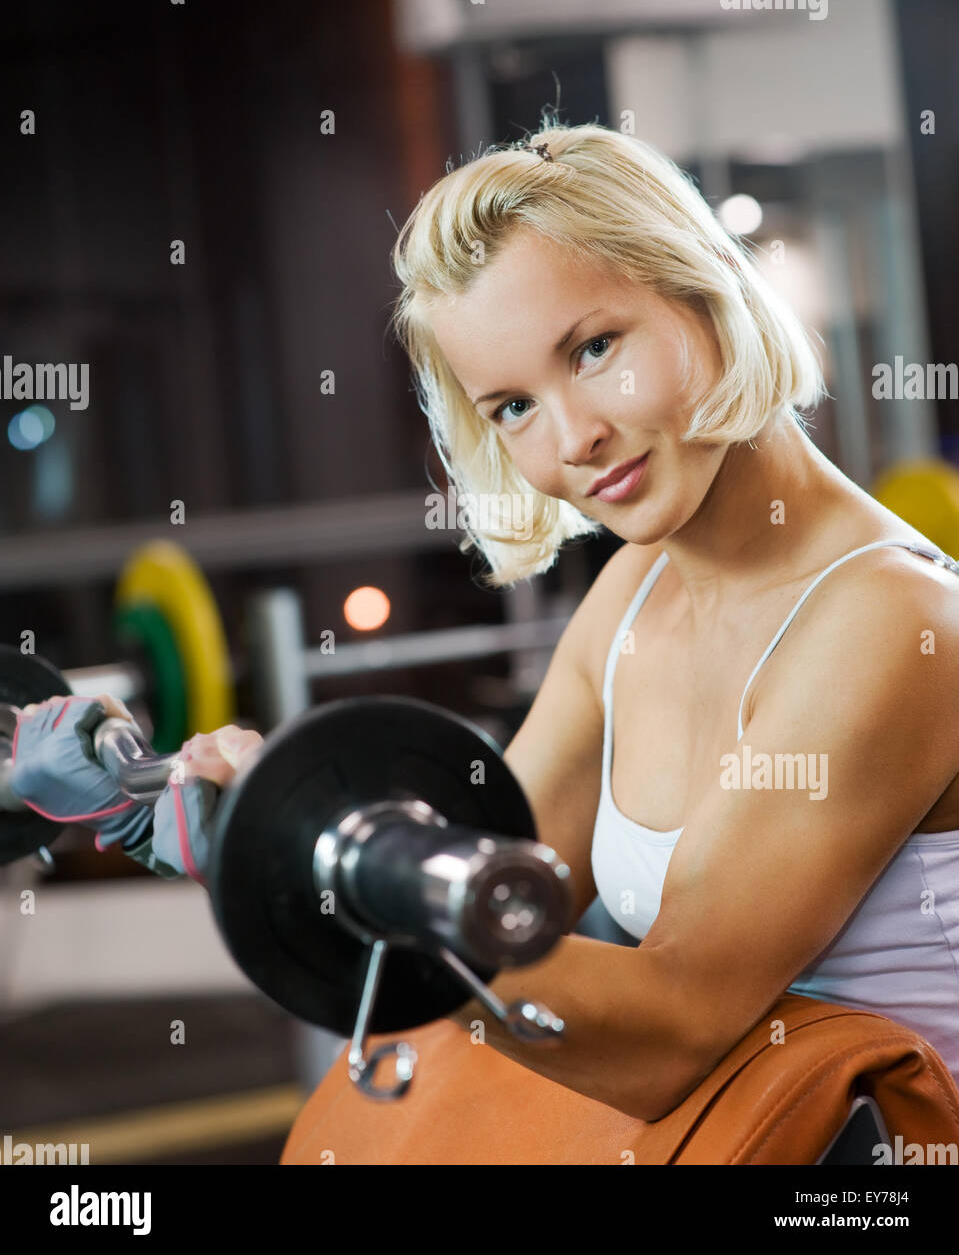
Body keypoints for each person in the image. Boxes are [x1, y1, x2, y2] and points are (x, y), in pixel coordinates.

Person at [10, 122, 959, 1124]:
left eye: (595, 348)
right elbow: (484, 880)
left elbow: (674, 1028)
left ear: (704, 291)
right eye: (510, 407)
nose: (573, 439)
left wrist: (302, 845)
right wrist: (163, 811)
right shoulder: (634, 592)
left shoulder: (889, 623)